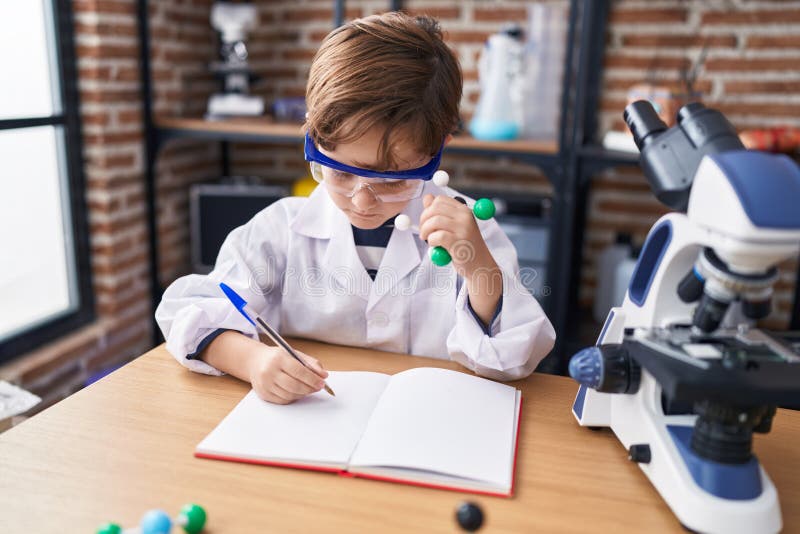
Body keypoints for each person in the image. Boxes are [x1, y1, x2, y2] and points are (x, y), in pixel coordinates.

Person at [156, 12, 555, 404]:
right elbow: (188, 312)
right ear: (313, 134)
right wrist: (252, 359)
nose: (362, 201)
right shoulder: (281, 230)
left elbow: (515, 358)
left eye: (394, 181)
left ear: (437, 151)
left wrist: (479, 267)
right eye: (341, 174)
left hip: (432, 424)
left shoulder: (472, 232)